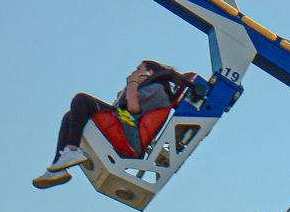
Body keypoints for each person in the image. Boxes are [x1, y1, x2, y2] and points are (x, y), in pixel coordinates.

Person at [33, 59, 199, 188]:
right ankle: (59, 166)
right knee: (70, 117)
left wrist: (132, 83)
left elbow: (133, 108)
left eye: (138, 69)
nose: (134, 72)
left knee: (81, 100)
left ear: (149, 72)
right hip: (124, 126)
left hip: (130, 139)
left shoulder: (158, 90)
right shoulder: (148, 89)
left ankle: (72, 151)